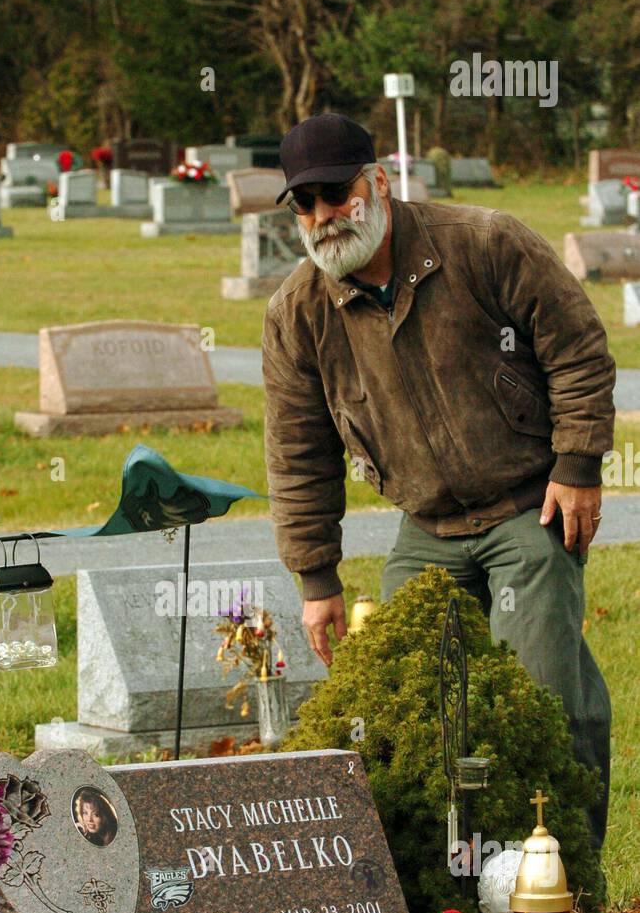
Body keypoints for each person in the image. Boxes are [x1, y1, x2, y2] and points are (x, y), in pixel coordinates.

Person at [263, 113, 614, 851]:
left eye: (336, 193)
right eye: (304, 203)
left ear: (378, 184)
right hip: (425, 530)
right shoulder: (298, 312)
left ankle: (565, 888)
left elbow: (577, 349)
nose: (323, 215)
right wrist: (315, 579)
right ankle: (453, 904)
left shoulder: (484, 242)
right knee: (413, 705)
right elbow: (298, 452)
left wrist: (577, 466)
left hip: (529, 507)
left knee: (546, 699)